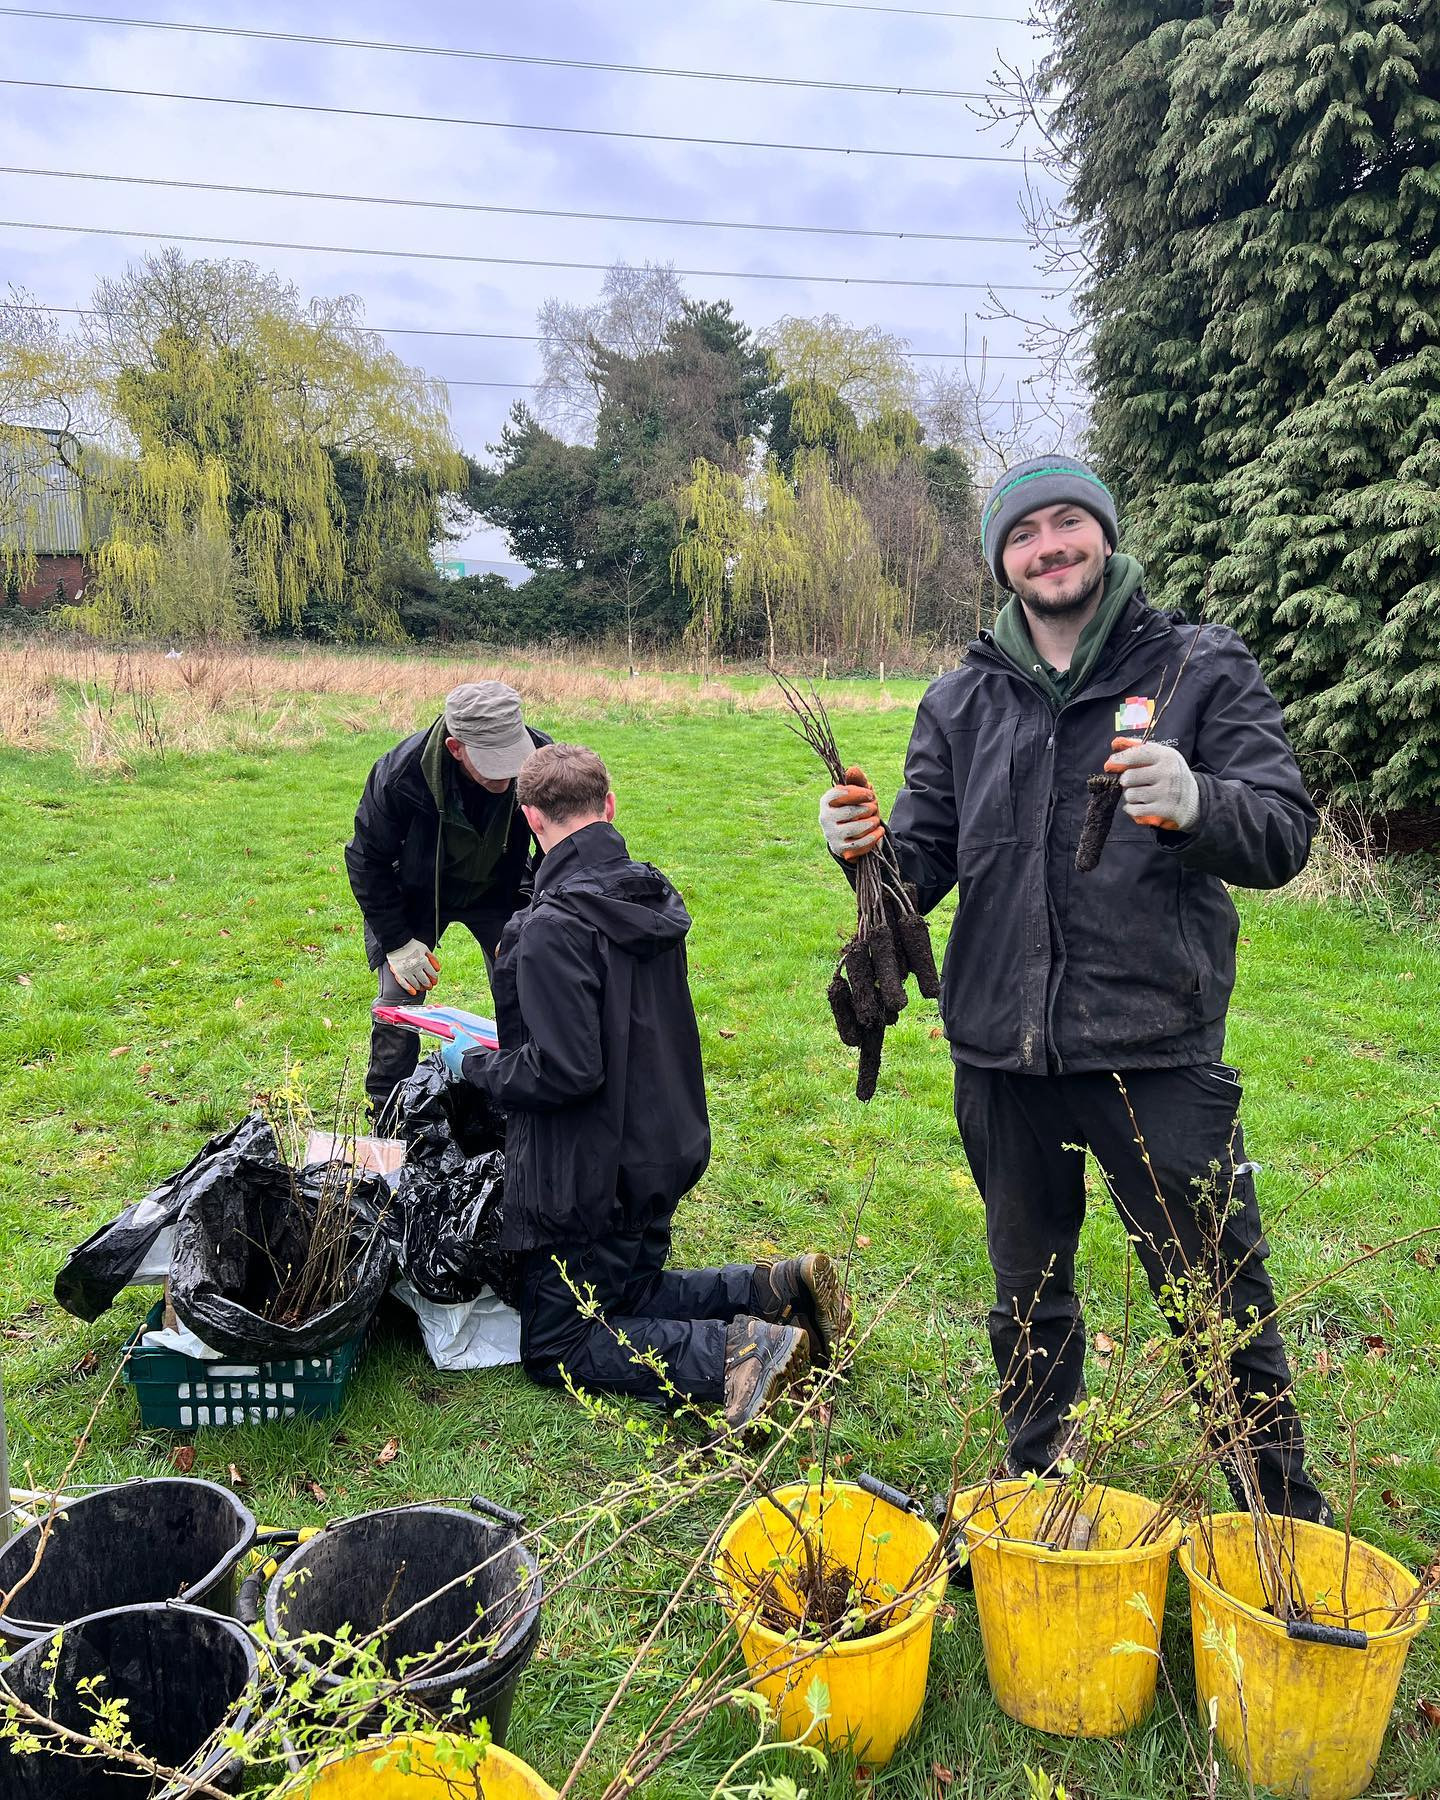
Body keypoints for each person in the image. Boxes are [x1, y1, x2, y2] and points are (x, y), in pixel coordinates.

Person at [819, 452, 1330, 1522]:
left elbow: (1282, 833)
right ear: (1002, 560)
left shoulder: (1199, 668)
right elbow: (923, 862)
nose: (1048, 546)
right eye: (1024, 533)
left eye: (1066, 524)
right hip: (1003, 1051)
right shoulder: (962, 698)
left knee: (1215, 1296)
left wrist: (1199, 802)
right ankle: (1039, 1484)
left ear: (1103, 535)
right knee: (1027, 1294)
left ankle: (1278, 1516)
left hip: (1155, 1046)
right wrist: (861, 853)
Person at [440, 742, 850, 1428]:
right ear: (608, 806)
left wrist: (472, 1063)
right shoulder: (649, 895)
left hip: (590, 1176)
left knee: (559, 1344)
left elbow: (566, 1069)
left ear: (531, 821)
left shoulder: (549, 929)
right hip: (661, 1146)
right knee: (628, 1292)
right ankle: (773, 1288)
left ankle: (735, 1355)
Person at [345, 681, 551, 1124]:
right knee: (398, 1001)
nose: (507, 777)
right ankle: (388, 1113)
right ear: (456, 748)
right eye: (493, 765)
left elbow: (559, 842)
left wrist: (541, 910)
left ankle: (524, 1097)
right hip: (417, 896)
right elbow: (366, 858)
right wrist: (398, 942)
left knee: (524, 983)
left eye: (511, 760)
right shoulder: (400, 775)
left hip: (500, 890)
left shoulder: (542, 759)